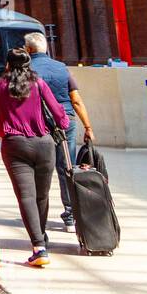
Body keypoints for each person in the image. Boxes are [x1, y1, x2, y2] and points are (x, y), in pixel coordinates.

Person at [0, 48, 70, 267]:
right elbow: (57, 111)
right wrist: (63, 125)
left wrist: (3, 131)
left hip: (15, 145)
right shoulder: (39, 83)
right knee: (42, 195)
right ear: (28, 64)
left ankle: (39, 245)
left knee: (26, 196)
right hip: (44, 144)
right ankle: (41, 236)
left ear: (7, 64)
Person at [23, 31, 95, 233]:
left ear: (28, 49)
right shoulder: (62, 68)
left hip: (37, 123)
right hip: (65, 121)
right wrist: (88, 127)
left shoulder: (26, 69)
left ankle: (39, 217)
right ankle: (71, 215)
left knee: (38, 169)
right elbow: (76, 100)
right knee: (67, 166)